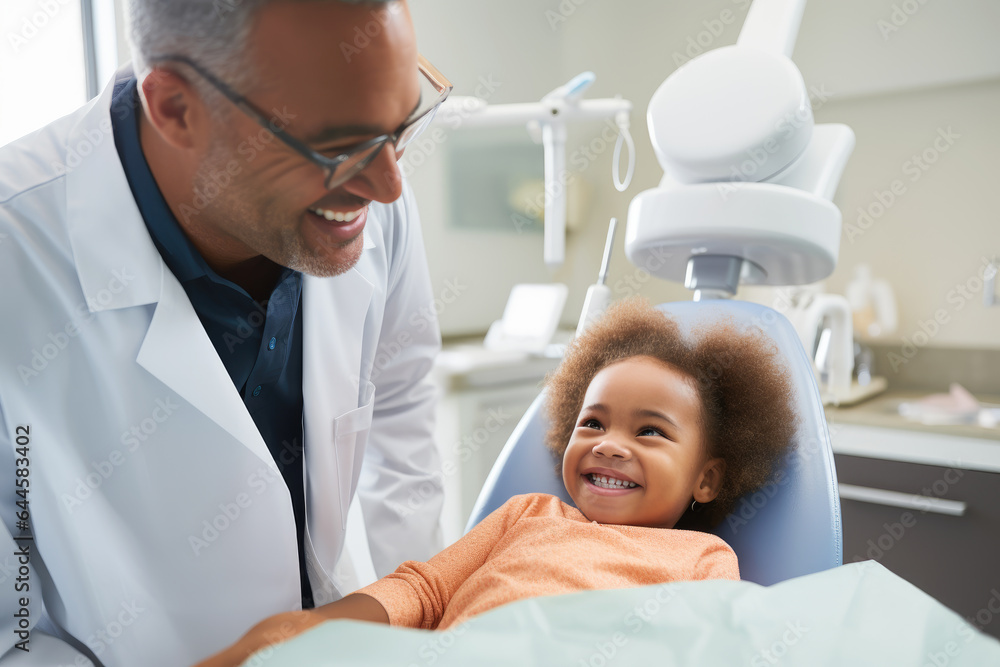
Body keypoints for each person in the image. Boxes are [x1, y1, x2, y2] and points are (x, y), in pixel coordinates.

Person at [0, 1, 450, 664]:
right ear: (176, 109)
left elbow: (403, 420)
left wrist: (422, 630)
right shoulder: (16, 258)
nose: (388, 185)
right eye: (336, 146)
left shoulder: (369, 190)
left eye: (402, 122)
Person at [195, 296, 799, 666]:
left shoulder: (700, 557)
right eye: (592, 423)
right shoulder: (529, 515)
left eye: (650, 433)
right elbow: (426, 592)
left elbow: (721, 649)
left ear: (709, 478)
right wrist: (308, 626)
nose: (610, 444)